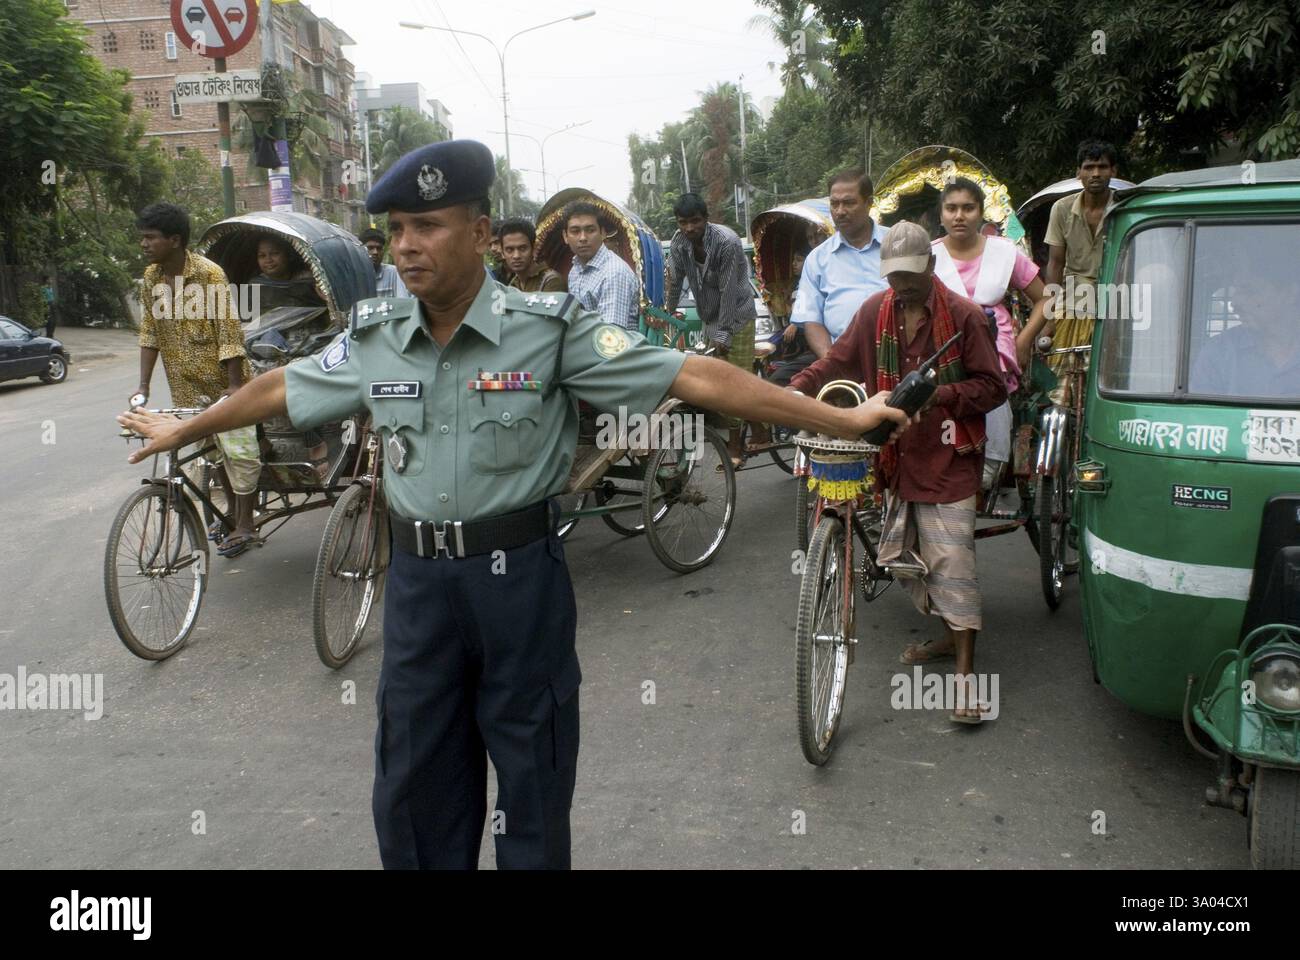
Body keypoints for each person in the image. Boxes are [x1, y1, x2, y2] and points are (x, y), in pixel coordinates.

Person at [119, 140, 912, 870]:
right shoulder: (376, 335)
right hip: (420, 590)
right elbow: (279, 386)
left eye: (426, 225)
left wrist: (841, 419)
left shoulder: (549, 328)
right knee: (414, 790)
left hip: (519, 584)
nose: (405, 246)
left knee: (531, 782)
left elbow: (695, 377)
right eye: (396, 228)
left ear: (478, 229)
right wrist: (187, 425)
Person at [789, 221, 1006, 723]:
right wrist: (793, 392)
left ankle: (967, 679)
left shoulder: (965, 317)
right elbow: (836, 363)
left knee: (952, 562)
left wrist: (943, 395)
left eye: (911, 276)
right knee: (914, 563)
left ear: (930, 266)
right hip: (895, 457)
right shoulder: (875, 311)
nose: (902, 287)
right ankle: (950, 639)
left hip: (949, 456)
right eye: (894, 278)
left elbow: (993, 388)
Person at [133, 202, 262, 559]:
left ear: (174, 240)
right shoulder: (151, 278)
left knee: (240, 452)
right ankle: (233, 516)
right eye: (141, 238)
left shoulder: (209, 274)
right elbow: (149, 334)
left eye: (150, 238)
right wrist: (142, 386)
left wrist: (235, 386)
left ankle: (246, 522)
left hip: (224, 382)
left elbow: (228, 331)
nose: (144, 244)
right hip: (186, 387)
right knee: (215, 456)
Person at [931, 177, 1052, 489]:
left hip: (994, 345)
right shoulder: (928, 257)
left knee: (989, 386)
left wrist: (1023, 341)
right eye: (952, 208)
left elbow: (1046, 298)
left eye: (968, 208)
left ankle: (991, 463)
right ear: (941, 214)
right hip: (943, 347)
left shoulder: (1004, 252)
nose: (959, 216)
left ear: (981, 213)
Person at [665, 192, 758, 465]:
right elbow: (674, 281)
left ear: (706, 218)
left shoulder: (726, 242)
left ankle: (735, 447)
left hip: (738, 316)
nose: (689, 228)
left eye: (695, 221)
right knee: (718, 382)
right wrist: (666, 315)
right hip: (709, 317)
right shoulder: (679, 243)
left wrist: (724, 333)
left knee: (735, 383)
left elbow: (729, 291)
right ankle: (761, 429)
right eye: (683, 222)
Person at [1043, 139, 1121, 388]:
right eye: (1089, 167)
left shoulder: (1124, 207)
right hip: (1072, 299)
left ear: (1113, 171)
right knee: (1061, 380)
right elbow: (1055, 264)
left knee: (1111, 376)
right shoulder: (1062, 209)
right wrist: (1048, 318)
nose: (1095, 173)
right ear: (1079, 173)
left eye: (1102, 166)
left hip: (1117, 298)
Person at [791, 169, 890, 358]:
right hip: (844, 358)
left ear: (869, 203)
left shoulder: (897, 242)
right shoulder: (817, 259)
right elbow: (811, 320)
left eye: (849, 203)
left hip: (900, 356)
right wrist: (834, 364)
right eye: (834, 204)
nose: (840, 211)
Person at [1189, 271, 1300, 400]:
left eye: (1250, 291)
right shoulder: (1218, 351)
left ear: (1290, 293)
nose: (1235, 303)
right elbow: (1201, 414)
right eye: (1235, 291)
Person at [564, 200, 641, 331]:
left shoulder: (614, 273)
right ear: (565, 236)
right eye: (575, 231)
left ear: (603, 233)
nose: (583, 238)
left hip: (614, 347)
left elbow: (610, 335)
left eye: (590, 230)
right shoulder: (575, 270)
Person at [252, 234, 327, 312]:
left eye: (274, 253)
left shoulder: (311, 282)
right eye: (262, 256)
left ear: (289, 255)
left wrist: (326, 299)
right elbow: (246, 321)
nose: (268, 260)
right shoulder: (253, 288)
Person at [499, 218, 565, 293]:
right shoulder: (513, 284)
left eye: (522, 248)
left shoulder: (551, 280)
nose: (516, 256)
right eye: (510, 250)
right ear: (502, 253)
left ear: (534, 249)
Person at [358, 227, 410, 299]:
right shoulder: (354, 276)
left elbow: (403, 302)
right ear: (360, 249)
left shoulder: (394, 273)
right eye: (370, 248)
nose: (375, 252)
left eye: (379, 248)